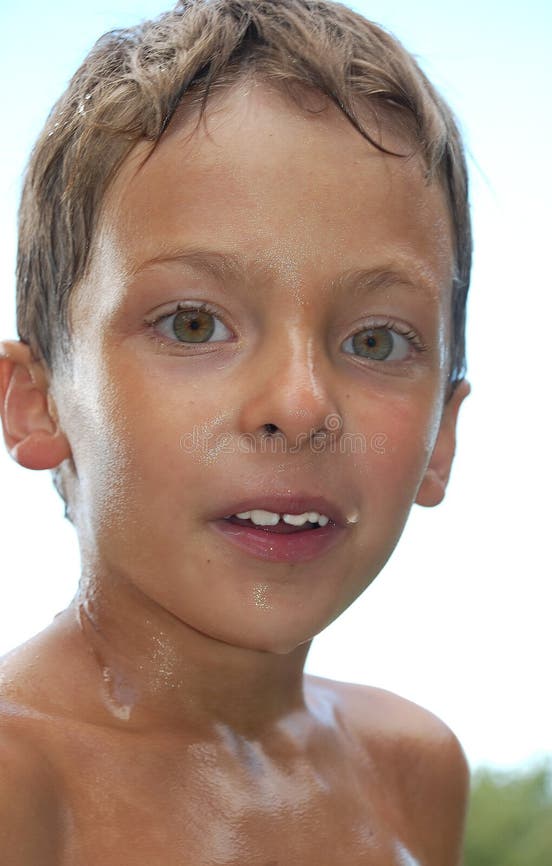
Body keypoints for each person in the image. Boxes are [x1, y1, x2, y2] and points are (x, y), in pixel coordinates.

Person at [0, 0, 472, 863]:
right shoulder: (20, 791)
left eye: (375, 341)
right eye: (192, 325)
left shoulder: (414, 769)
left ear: (441, 433)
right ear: (37, 402)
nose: (299, 405)